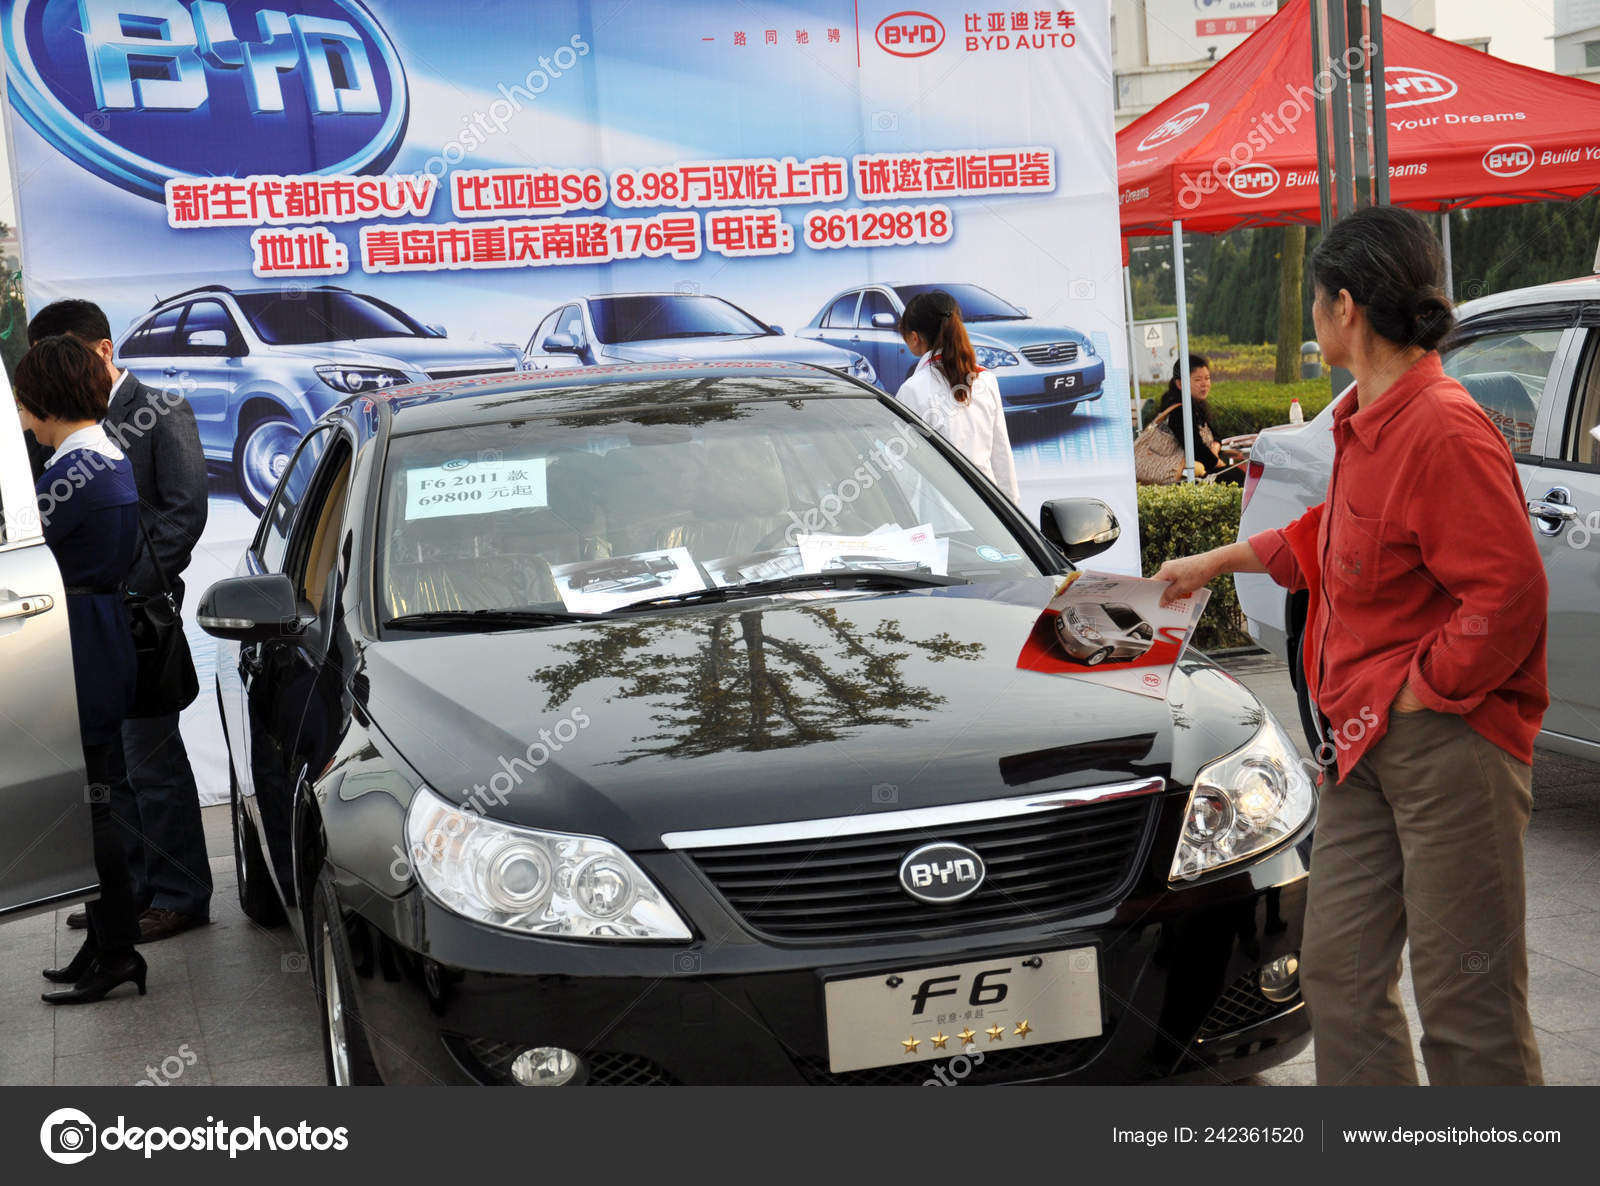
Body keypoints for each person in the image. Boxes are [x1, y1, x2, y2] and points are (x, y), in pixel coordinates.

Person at [1155, 205, 1547, 1086]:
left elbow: (1509, 593)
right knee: (1338, 973)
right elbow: (1332, 534)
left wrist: (1415, 690)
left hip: (1448, 745)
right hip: (1361, 747)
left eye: (1316, 301)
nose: (1313, 317)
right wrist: (1214, 561)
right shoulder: (1368, 420)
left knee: (1466, 1003)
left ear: (1344, 306)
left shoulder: (1443, 426)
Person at [27, 300, 212, 943]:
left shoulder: (164, 410)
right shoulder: (52, 423)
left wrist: (120, 585)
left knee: (152, 762)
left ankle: (182, 893)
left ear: (103, 349)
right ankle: (129, 892)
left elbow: (184, 516)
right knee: (110, 771)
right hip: (86, 625)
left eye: (69, 356)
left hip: (141, 621)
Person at [15, 336, 149, 1003]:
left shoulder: (80, 470)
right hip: (97, 639)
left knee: (98, 807)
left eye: (23, 402)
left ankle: (118, 950)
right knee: (97, 796)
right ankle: (106, 940)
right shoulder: (99, 453)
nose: (20, 415)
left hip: (82, 648)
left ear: (44, 398)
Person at [893, 290, 1021, 503]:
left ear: (914, 337)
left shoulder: (912, 389)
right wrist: (1012, 512)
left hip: (937, 517)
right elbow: (1001, 456)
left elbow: (902, 465)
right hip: (990, 512)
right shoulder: (985, 380)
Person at [1157, 354, 1245, 484]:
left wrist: (1215, 447)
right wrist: (1217, 462)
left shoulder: (1195, 407)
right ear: (1180, 383)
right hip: (1185, 476)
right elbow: (1195, 448)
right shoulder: (1179, 411)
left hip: (1202, 469)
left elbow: (1215, 435)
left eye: (1207, 378)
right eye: (1198, 380)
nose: (1204, 384)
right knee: (1240, 477)